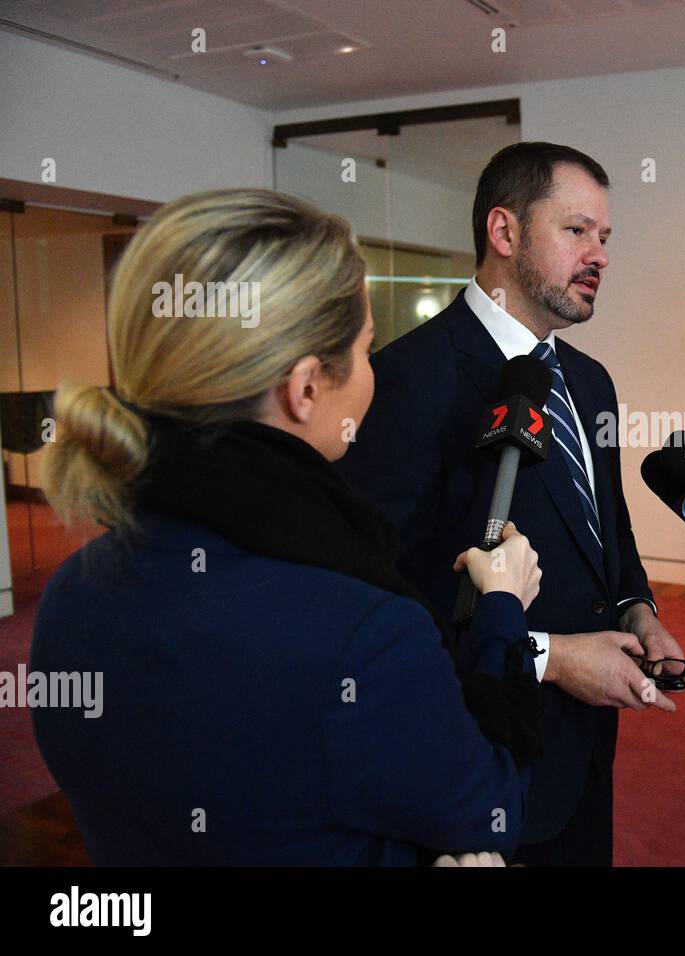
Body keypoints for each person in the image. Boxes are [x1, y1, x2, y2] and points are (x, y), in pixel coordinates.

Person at [30, 189, 543, 866]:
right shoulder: (365, 634)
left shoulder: (70, 593)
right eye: (365, 348)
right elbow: (489, 807)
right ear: (305, 388)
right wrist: (503, 608)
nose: (373, 373)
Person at [337, 142, 684, 867]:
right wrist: (551, 659)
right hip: (481, 757)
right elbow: (383, 600)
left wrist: (637, 608)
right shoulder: (405, 382)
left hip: (587, 752)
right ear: (504, 233)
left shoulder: (589, 382)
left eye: (606, 237)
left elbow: (606, 524)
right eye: (577, 231)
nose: (601, 255)